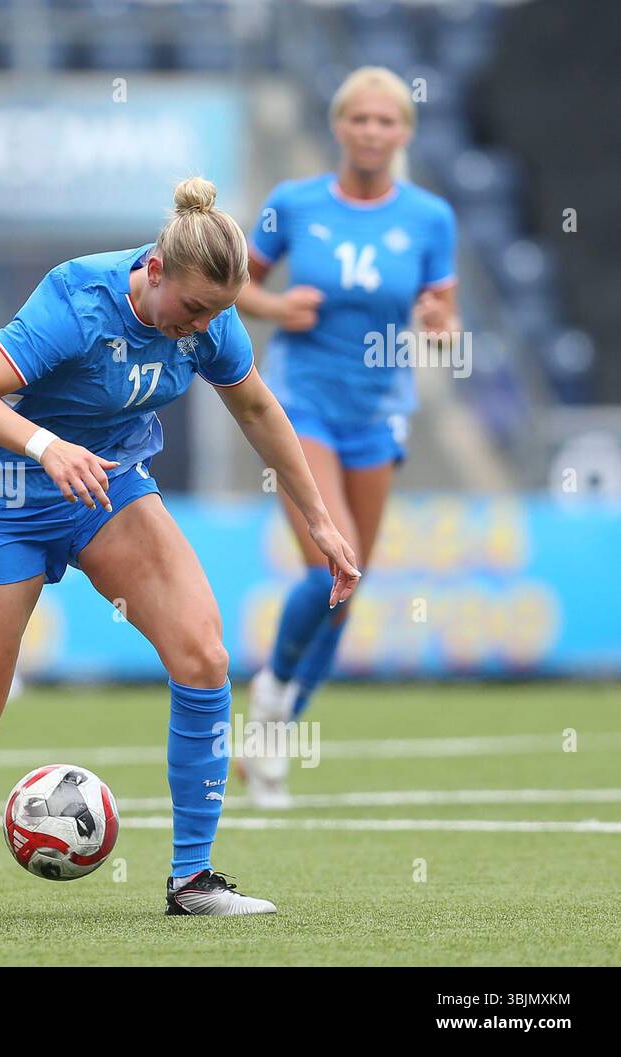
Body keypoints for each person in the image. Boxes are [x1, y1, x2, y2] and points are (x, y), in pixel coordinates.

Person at [0, 176, 361, 916]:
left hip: (108, 490)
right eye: (193, 309)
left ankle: (192, 881)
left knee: (204, 655)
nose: (200, 329)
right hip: (6, 499)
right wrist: (45, 445)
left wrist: (319, 518)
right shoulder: (76, 301)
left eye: (216, 315)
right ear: (154, 270)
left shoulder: (209, 320)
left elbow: (257, 408)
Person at [236, 67, 460, 807]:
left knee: (348, 584)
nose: (371, 132)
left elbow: (443, 315)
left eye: (385, 121)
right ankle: (270, 692)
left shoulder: (430, 218)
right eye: (358, 119)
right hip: (303, 404)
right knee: (329, 564)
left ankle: (271, 737)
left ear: (404, 132)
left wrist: (439, 327)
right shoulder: (293, 203)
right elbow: (230, 284)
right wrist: (273, 305)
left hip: (378, 410)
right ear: (338, 126)